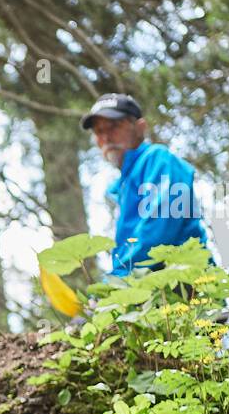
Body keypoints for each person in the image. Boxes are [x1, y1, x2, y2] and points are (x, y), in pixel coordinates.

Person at [80, 93, 207, 278]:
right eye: (99, 131)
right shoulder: (121, 188)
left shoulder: (159, 160)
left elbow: (157, 237)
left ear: (140, 127)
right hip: (152, 293)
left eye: (114, 126)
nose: (106, 137)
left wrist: (113, 287)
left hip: (188, 289)